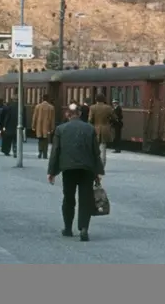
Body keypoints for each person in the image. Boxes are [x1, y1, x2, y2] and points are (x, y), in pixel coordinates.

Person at [47, 103, 105, 242]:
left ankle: (68, 228)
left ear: (67, 114)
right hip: (87, 169)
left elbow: (55, 152)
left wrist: (52, 172)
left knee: (68, 198)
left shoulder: (60, 129)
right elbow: (96, 152)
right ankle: (83, 228)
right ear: (79, 114)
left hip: (68, 169)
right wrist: (98, 172)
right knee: (85, 199)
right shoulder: (90, 129)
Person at [88, 94, 114, 166]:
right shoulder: (108, 107)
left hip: (95, 129)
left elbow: (90, 119)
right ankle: (102, 164)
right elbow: (114, 118)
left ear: (96, 99)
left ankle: (94, 163)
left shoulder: (92, 107)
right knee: (103, 147)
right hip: (105, 128)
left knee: (94, 147)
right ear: (104, 99)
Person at [32, 94, 56, 159]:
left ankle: (40, 151)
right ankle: (45, 154)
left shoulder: (37, 106)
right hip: (47, 126)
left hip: (39, 126)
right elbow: (52, 119)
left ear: (42, 99)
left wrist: (33, 126)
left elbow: (34, 117)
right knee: (46, 140)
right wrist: (52, 128)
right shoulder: (51, 107)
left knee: (40, 139)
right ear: (48, 99)